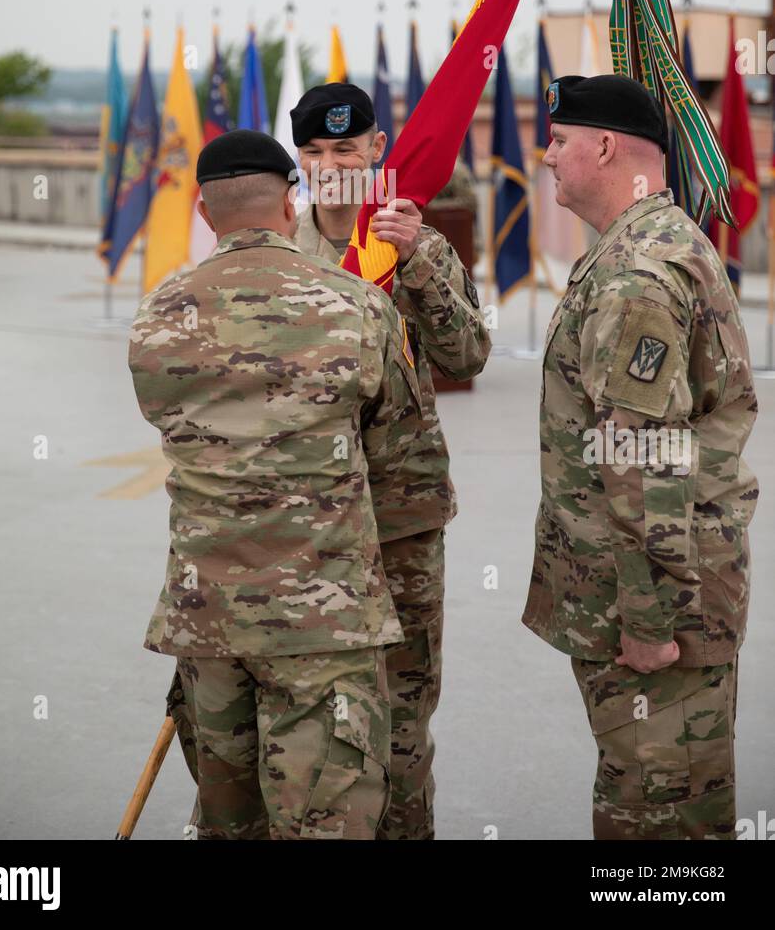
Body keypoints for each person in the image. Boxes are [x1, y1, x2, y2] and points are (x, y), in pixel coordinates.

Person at [128, 130, 423, 840]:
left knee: (231, 824)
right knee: (325, 821)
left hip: (208, 621)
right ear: (290, 203)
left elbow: (167, 419)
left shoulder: (159, 312)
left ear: (204, 212)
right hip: (323, 620)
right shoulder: (356, 305)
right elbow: (394, 448)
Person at [522, 73, 759, 840]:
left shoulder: (635, 275)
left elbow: (641, 459)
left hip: (660, 603)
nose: (548, 156)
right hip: (663, 583)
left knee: (660, 817)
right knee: (665, 799)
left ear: (604, 146)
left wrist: (649, 616)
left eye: (560, 142)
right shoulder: (647, 243)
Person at [290, 82, 491, 839]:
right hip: (307, 520)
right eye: (313, 152)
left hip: (402, 513)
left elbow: (466, 352)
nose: (330, 165)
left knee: (402, 719)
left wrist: (417, 269)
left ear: (378, 150)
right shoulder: (281, 248)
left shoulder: (412, 240)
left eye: (346, 148)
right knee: (316, 717)